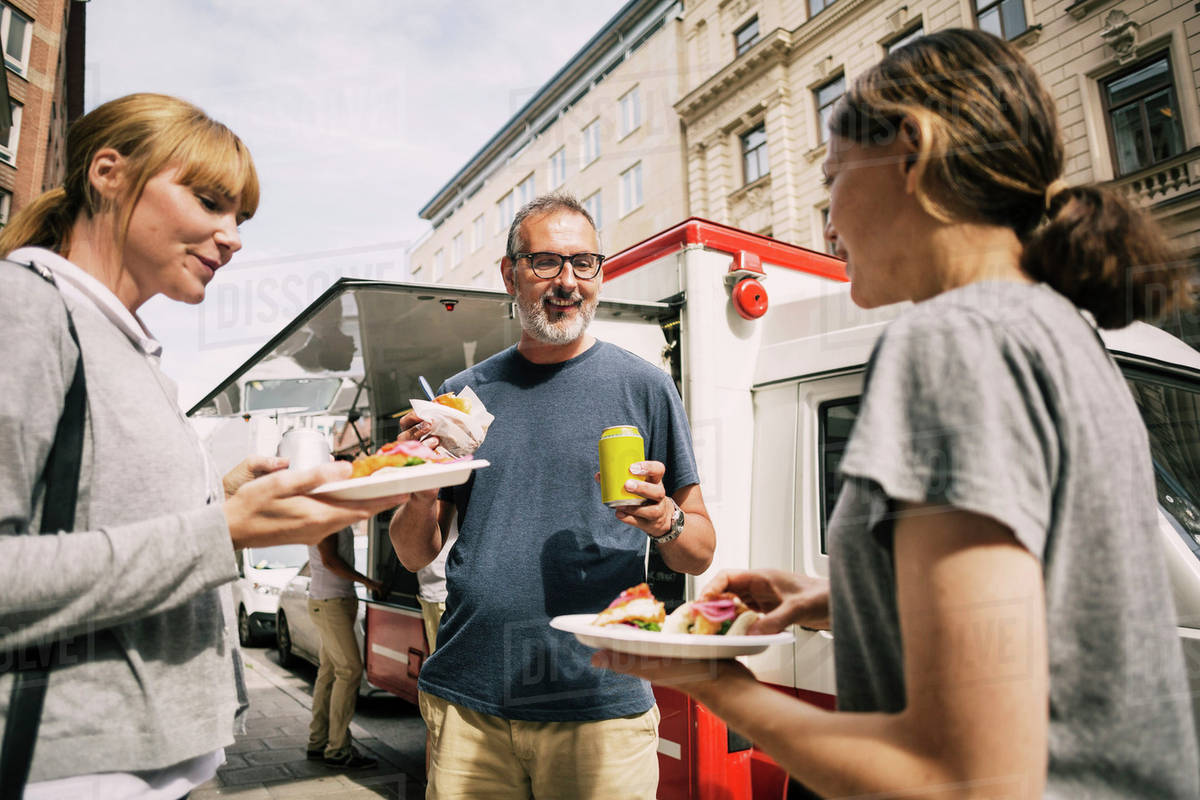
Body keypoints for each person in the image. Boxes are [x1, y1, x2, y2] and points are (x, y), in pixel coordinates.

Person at [594, 29, 1200, 799]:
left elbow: (959, 778)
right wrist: (845, 599)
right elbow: (1056, 608)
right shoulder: (1055, 328)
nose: (829, 220)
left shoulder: (949, 340)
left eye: (835, 177)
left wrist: (710, 678)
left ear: (909, 152)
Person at [0, 93, 407, 798]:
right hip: (72, 768)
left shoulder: (132, 349)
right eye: (211, 202)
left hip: (165, 761)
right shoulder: (26, 311)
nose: (233, 237)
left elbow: (94, 519)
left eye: (240, 217)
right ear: (109, 173)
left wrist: (226, 499)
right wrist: (221, 530)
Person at [389, 193, 717, 799]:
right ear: (510, 274)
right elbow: (414, 554)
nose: (567, 282)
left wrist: (666, 519)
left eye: (583, 263)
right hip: (472, 698)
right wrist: (418, 490)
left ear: (600, 273)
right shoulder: (465, 394)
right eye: (545, 263)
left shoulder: (644, 386)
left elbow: (698, 549)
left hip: (601, 698)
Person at [305, 527, 382, 769]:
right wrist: (368, 581)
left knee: (329, 672)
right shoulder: (326, 517)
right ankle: (337, 749)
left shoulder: (337, 516)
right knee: (349, 670)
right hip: (330, 602)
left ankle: (318, 741)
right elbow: (330, 561)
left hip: (335, 600)